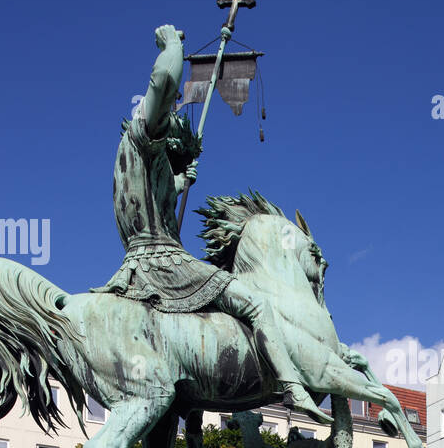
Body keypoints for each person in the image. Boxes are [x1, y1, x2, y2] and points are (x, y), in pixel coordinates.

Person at [93, 23, 331, 425]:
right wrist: (171, 45)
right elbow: (165, 82)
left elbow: (159, 193)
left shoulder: (141, 174)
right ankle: (293, 386)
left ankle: (194, 423)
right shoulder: (140, 141)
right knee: (255, 303)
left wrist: (179, 180)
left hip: (146, 263)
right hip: (163, 264)